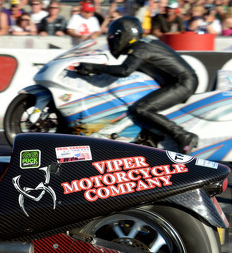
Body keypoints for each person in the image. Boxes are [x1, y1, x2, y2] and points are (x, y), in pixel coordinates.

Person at [74, 16, 200, 153]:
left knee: (141, 109)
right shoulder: (142, 45)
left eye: (114, 36)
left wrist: (92, 67)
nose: (111, 40)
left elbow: (124, 70)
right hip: (177, 81)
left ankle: (183, 136)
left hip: (183, 82)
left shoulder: (141, 47)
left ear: (126, 34)